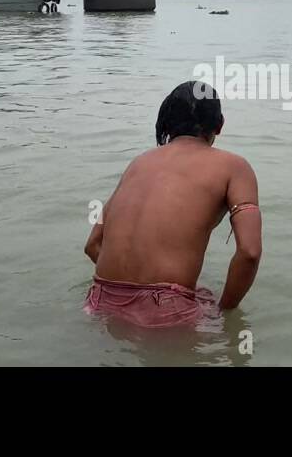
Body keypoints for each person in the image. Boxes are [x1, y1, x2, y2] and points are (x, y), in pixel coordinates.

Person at [83, 81, 262, 328]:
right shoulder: (234, 167)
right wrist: (222, 312)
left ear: (166, 122)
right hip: (166, 313)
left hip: (99, 301)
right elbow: (250, 253)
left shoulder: (138, 163)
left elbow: (92, 245)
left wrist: (130, 286)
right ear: (219, 126)